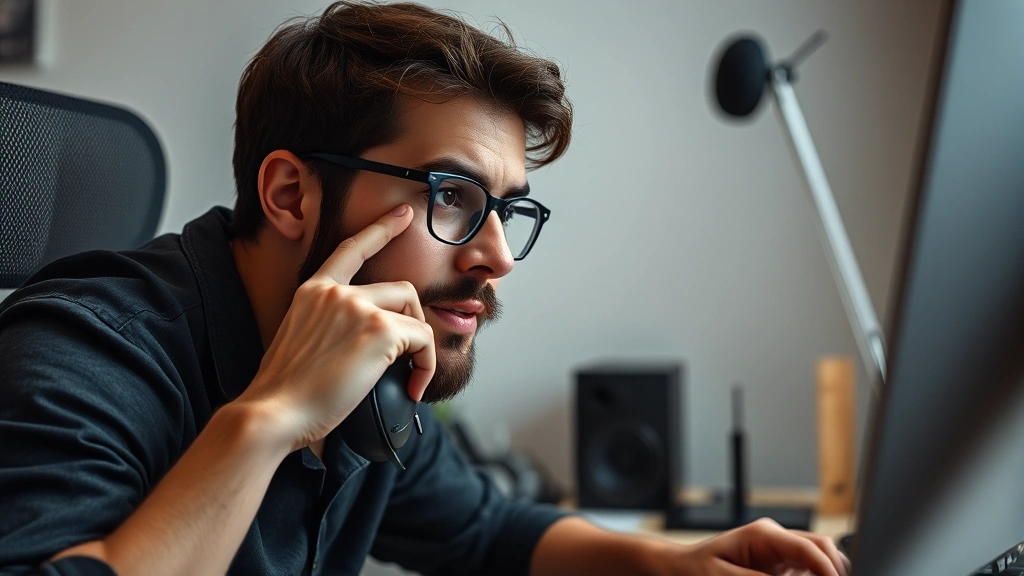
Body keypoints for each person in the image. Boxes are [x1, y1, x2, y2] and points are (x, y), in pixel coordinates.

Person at [0, 2, 849, 575]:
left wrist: (675, 564)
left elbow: (487, 529)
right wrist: (273, 418)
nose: (496, 255)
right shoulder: (82, 355)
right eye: (451, 196)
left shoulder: (381, 379)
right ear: (290, 194)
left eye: (507, 211)